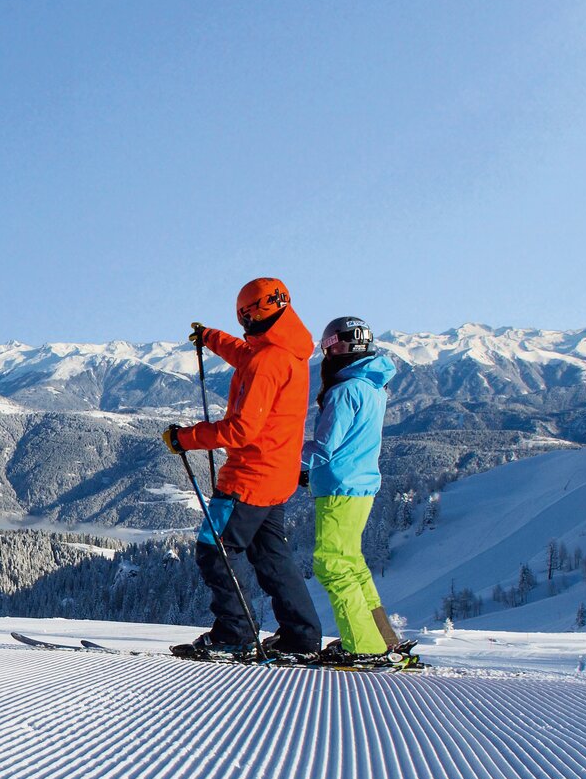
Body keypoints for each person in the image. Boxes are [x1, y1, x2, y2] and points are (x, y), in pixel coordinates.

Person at [162, 276, 323, 660]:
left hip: (249, 476)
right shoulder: (286, 348)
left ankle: (234, 632)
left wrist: (186, 438)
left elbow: (241, 429)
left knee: (213, 549)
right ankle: (301, 636)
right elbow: (246, 355)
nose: (243, 325)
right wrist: (211, 338)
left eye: (243, 318)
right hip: (277, 475)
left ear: (252, 313)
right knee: (271, 557)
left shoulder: (268, 360)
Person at [300, 316, 411, 667]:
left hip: (339, 487)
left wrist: (287, 456)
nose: (326, 354)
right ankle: (381, 636)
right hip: (361, 485)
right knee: (352, 562)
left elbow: (325, 446)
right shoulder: (372, 386)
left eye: (328, 347)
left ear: (340, 347)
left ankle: (363, 644)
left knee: (331, 564)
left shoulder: (345, 390)